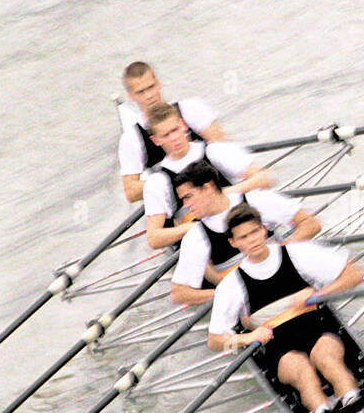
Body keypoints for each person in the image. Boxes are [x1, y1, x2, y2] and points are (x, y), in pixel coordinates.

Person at [207, 204, 364, 413]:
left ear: (264, 230)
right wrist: (248, 338)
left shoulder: (297, 252)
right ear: (234, 243)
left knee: (325, 358)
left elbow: (354, 274)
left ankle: (353, 400)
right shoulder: (231, 285)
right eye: (243, 237)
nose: (252, 240)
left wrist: (319, 294)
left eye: (255, 232)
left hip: (317, 329)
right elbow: (215, 340)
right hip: (278, 346)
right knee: (303, 370)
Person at [170, 160, 320, 305]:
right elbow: (179, 293)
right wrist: (229, 292)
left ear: (209, 187)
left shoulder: (256, 200)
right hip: (255, 309)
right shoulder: (196, 237)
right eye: (183, 200)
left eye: (188, 197)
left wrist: (280, 256)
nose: (186, 206)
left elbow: (311, 224)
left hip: (293, 291)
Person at [142, 103, 274, 250]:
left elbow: (264, 179)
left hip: (248, 234)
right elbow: (154, 238)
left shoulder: (215, 151)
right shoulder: (158, 182)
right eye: (166, 135)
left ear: (183, 125)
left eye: (175, 130)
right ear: (156, 140)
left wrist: (227, 192)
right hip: (212, 252)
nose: (174, 138)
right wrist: (195, 229)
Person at [118, 60, 229, 202]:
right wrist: (174, 179)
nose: (148, 96)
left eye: (151, 87)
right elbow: (131, 193)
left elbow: (224, 148)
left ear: (158, 83)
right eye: (141, 92)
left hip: (221, 192)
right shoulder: (131, 139)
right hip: (184, 211)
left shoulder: (191, 108)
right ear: (131, 97)